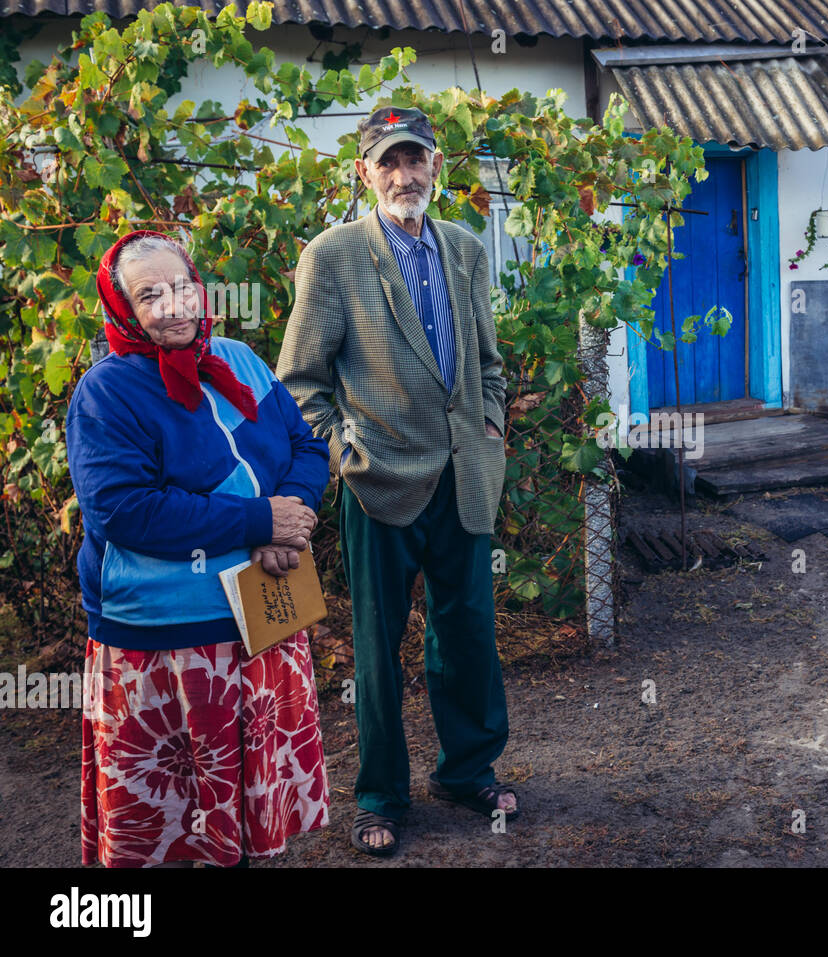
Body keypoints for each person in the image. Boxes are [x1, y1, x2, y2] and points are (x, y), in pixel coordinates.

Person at [277, 106, 515, 857]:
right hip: (378, 478)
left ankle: (466, 769)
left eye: (416, 160)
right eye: (389, 162)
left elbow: (487, 361)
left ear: (436, 166)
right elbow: (300, 382)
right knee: (377, 647)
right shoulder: (335, 255)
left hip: (463, 475)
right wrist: (344, 448)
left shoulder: (468, 248)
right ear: (365, 173)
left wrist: (492, 424)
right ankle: (380, 794)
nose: (404, 175)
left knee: (468, 630)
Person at [66, 230, 331, 867]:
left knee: (248, 806)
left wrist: (287, 522)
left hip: (268, 603)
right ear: (122, 309)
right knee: (176, 818)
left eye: (182, 286)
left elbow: (306, 446)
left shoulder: (240, 360)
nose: (174, 305)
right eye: (149, 295)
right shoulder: (108, 392)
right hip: (168, 633)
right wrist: (255, 521)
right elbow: (124, 510)